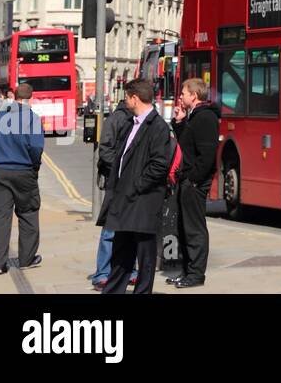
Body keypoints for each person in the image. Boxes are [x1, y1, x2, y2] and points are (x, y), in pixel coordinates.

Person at [97, 79, 175, 295]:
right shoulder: (132, 123)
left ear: (134, 98)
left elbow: (159, 165)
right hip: (124, 200)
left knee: (145, 256)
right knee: (121, 253)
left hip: (142, 202)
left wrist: (134, 186)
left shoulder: (157, 126)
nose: (125, 101)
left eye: (126, 97)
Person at [0, 82, 44, 275]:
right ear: (30, 97)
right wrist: (34, 166)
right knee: (28, 214)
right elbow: (36, 148)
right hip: (24, 172)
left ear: (14, 96)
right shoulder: (32, 118)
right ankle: (26, 259)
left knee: (0, 216)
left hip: (0, 171)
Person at [168, 78, 221, 288]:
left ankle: (196, 274)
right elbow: (186, 148)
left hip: (194, 183)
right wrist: (180, 122)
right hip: (187, 180)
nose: (180, 96)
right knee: (183, 228)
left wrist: (193, 180)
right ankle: (187, 271)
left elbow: (207, 156)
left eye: (183, 93)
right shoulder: (195, 116)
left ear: (194, 95)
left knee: (194, 229)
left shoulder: (205, 117)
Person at [89, 94, 136, 290]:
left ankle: (130, 271)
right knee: (110, 230)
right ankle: (102, 274)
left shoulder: (140, 119)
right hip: (117, 182)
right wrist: (120, 170)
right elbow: (105, 150)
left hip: (132, 183)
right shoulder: (117, 118)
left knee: (130, 229)